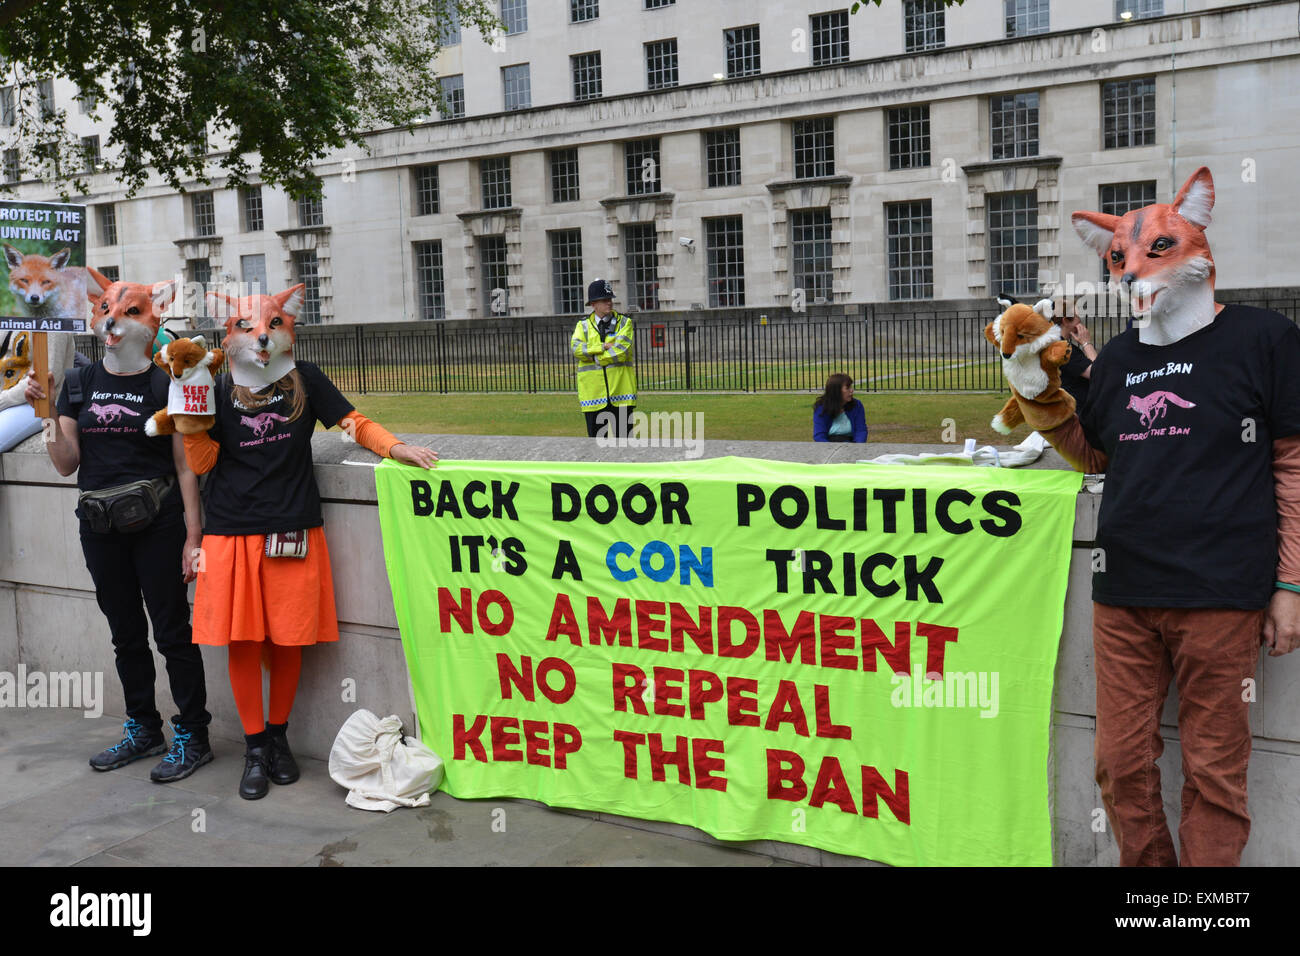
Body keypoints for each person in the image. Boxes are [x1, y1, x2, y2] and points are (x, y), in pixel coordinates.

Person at [1010, 167, 1300, 866]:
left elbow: (1291, 467)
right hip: (1124, 593)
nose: (1134, 267)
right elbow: (1097, 455)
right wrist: (1037, 395)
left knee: (1215, 773)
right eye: (1118, 256)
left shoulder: (1265, 337)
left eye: (1157, 248)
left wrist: (1289, 586)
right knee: (1118, 763)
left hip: (1221, 593)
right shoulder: (1118, 359)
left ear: (1197, 241)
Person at [183, 284, 437, 800]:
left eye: (272, 323)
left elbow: (352, 423)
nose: (260, 335)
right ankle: (254, 749)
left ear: (289, 327)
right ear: (226, 333)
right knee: (244, 641)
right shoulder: (209, 383)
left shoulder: (305, 378)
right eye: (246, 326)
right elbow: (203, 465)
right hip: (230, 532)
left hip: (293, 527)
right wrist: (190, 426)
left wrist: (395, 448)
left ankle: (278, 740)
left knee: (288, 638)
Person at [24, 276, 213, 781]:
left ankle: (193, 733)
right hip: (100, 527)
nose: (111, 319)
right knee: (125, 634)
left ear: (152, 321)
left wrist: (194, 539)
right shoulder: (79, 385)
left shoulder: (163, 384)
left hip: (159, 527)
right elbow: (67, 464)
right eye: (105, 308)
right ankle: (143, 727)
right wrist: (47, 421)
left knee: (173, 633)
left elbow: (185, 467)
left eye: (127, 311)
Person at [571, 278, 636, 438]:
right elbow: (577, 349)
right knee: (596, 447)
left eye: (610, 299)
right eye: (605, 300)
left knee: (625, 445)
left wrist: (596, 358)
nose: (609, 303)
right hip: (593, 397)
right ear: (593, 304)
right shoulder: (583, 326)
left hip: (621, 394)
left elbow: (622, 351)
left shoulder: (624, 323)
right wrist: (601, 347)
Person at [0, 330, 74, 451]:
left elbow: (46, 375)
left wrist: (3, 400)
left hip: (40, 402)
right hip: (10, 400)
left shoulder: (51, 321)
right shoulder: (12, 315)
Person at [1052, 306, 1097, 408]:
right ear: (1065, 321)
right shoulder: (1063, 349)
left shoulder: (1054, 344)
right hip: (1075, 412)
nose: (1080, 320)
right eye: (1077, 316)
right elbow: (1098, 372)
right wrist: (1086, 343)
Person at [812, 372, 867, 442]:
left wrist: (857, 447)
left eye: (851, 387)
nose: (851, 390)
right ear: (836, 391)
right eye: (847, 388)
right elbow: (819, 435)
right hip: (828, 444)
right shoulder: (821, 407)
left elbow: (861, 431)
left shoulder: (857, 405)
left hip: (851, 444)